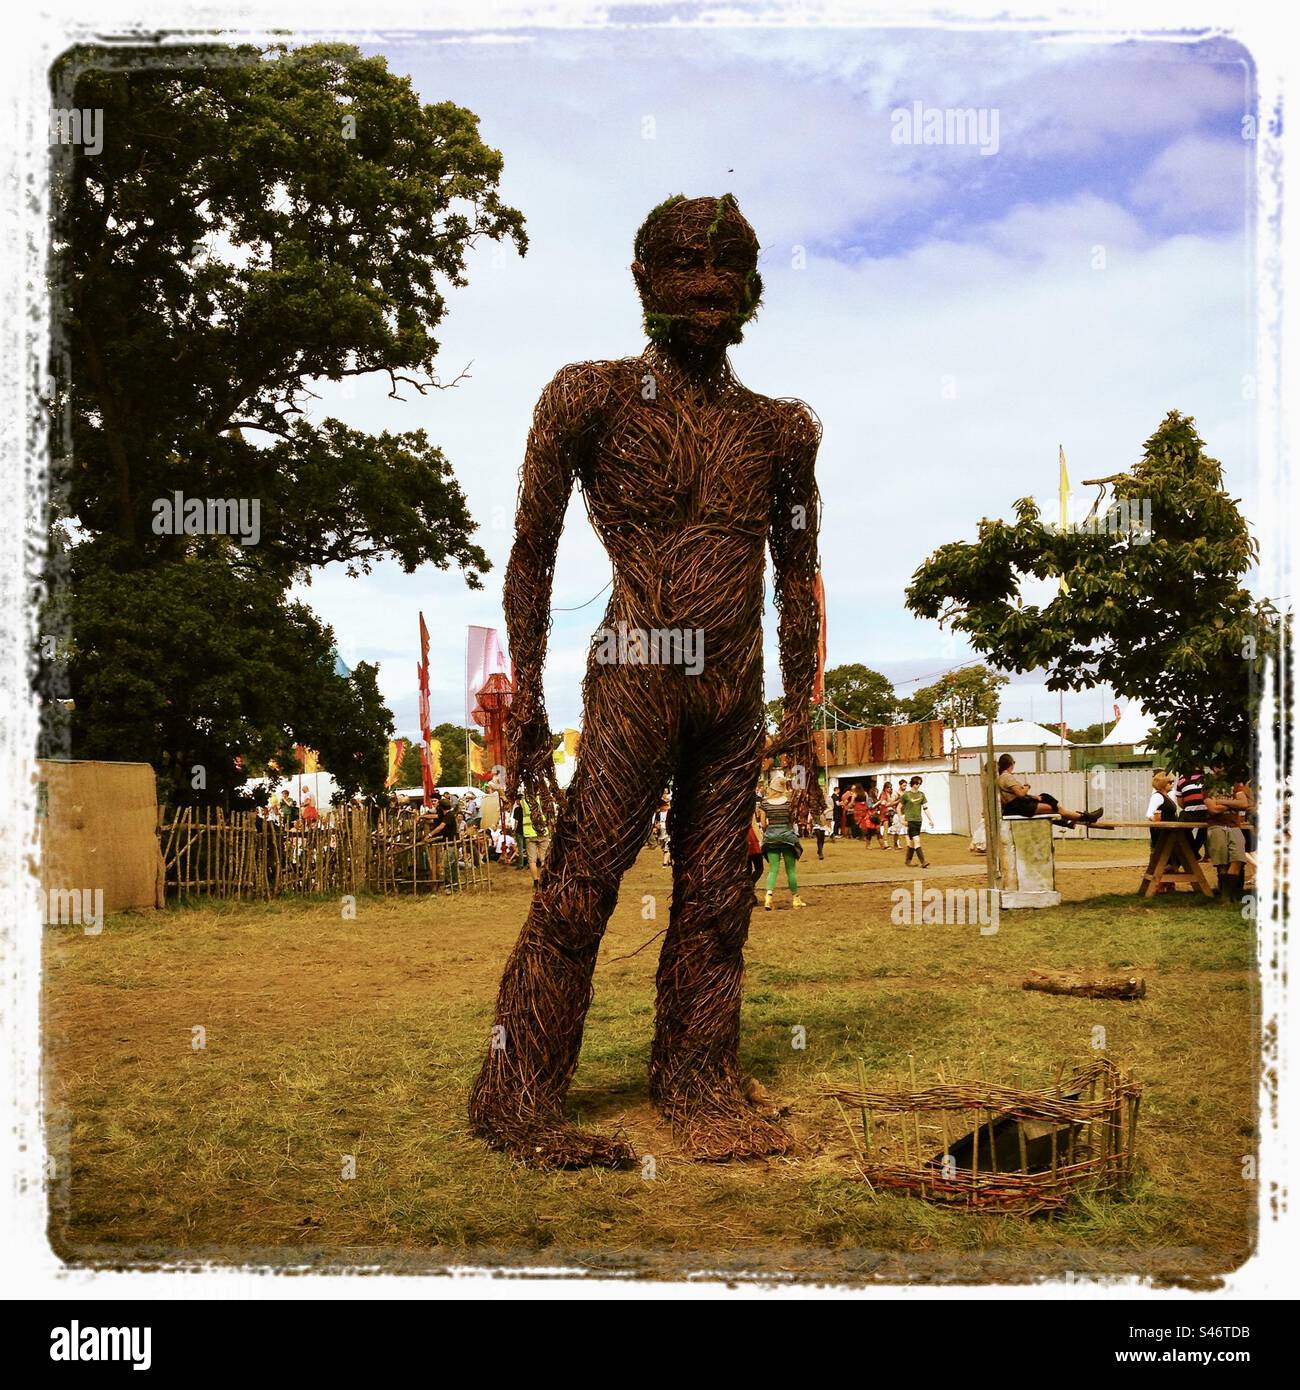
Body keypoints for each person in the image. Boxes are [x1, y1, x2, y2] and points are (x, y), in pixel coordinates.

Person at [470, 194, 822, 1167]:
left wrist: (804, 704)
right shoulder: (589, 398)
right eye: (683, 265)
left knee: (718, 891)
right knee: (579, 887)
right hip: (637, 674)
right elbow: (531, 553)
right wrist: (527, 696)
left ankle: (698, 1080)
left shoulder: (781, 431)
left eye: (728, 267)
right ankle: (516, 1094)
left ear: (752, 287)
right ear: (641, 282)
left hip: (733, 689)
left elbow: (796, 574)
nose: (708, 286)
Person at [995, 755, 1104, 826]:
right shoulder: (1006, 777)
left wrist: (1034, 797)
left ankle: (1073, 821)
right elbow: (1019, 794)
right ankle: (1087, 817)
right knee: (1055, 808)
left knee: (1050, 803)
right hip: (1018, 806)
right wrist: (1027, 787)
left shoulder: (1001, 777)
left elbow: (1016, 794)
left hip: (1016, 806)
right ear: (1011, 764)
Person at [758, 770, 806, 911]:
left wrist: (770, 830)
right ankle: (796, 899)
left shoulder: (764, 804)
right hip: (787, 837)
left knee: (773, 869)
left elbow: (763, 823)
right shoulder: (788, 803)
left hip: (771, 837)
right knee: (790, 870)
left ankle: (768, 898)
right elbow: (791, 820)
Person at [1205, 773, 1253, 902]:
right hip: (1216, 826)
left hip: (1234, 826)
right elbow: (1213, 809)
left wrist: (1220, 801)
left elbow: (1243, 804)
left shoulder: (1236, 785)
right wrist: (1233, 803)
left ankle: (1233, 893)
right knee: (1221, 862)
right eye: (1218, 767)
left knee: (1238, 858)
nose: (1221, 770)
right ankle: (1226, 896)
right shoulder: (1208, 787)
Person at [1145, 770, 1181, 893]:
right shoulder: (1157, 797)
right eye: (1169, 782)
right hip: (1161, 832)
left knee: (1172, 856)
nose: (1172, 784)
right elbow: (1149, 813)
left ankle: (1168, 883)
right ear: (1162, 784)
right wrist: (1155, 819)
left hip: (1170, 831)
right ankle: (1160, 884)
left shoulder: (1166, 796)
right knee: (1163, 856)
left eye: (1172, 782)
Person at [898, 776, 934, 867]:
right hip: (910, 821)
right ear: (913, 784)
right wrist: (901, 819)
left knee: (912, 843)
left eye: (919, 783)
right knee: (917, 841)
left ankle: (908, 861)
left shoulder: (921, 795)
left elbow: (925, 808)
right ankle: (923, 862)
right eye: (917, 783)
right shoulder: (906, 795)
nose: (918, 785)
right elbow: (898, 807)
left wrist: (930, 819)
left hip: (918, 821)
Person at [1176, 768, 1209, 860]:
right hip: (1207, 811)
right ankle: (1194, 852)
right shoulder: (1207, 778)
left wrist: (1190, 807)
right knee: (1205, 830)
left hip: (1190, 812)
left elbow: (1180, 801)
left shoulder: (1181, 779)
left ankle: (1193, 853)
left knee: (1183, 829)